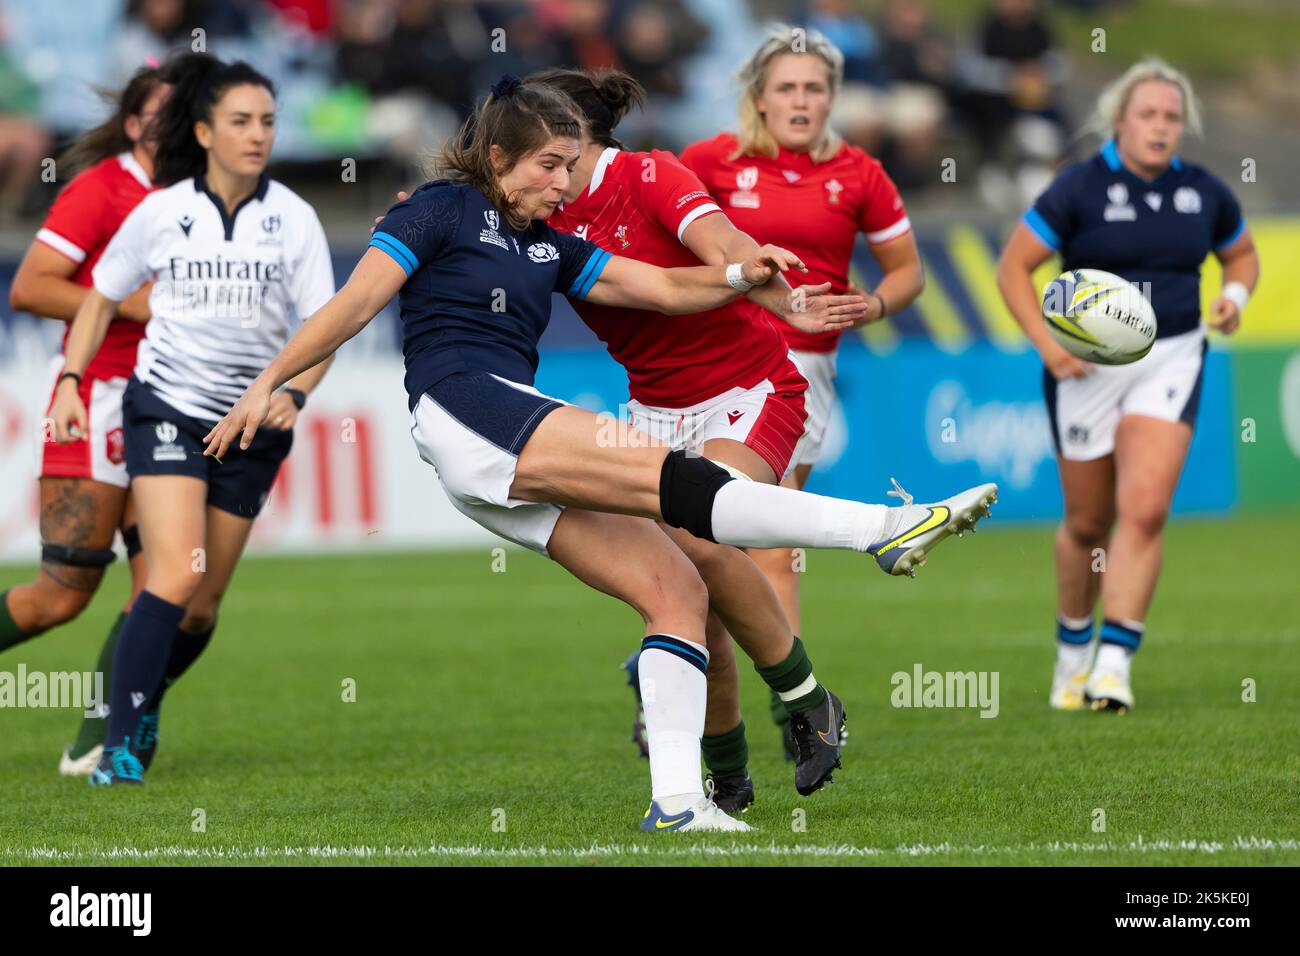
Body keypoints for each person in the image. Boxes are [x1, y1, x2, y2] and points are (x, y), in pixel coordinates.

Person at [202, 75, 997, 832]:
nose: (563, 181)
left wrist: (738, 272)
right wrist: (269, 382)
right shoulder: (440, 208)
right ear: (499, 158)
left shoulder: (548, 244)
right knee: (684, 486)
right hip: (469, 409)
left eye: (571, 164)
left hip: (497, 452)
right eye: (550, 164)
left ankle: (681, 803)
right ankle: (882, 531)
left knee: (677, 589)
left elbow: (658, 287)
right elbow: (353, 304)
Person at [533, 65, 869, 810]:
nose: (533, 162)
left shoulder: (649, 173)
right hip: (654, 411)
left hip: (749, 390)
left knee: (703, 535)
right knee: (687, 595)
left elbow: (722, 239)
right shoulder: (541, 210)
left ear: (573, 136)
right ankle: (727, 776)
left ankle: (807, 701)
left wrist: (775, 288)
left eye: (544, 144)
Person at [48, 52, 337, 785]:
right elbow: (99, 297)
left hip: (253, 427)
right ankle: (121, 747)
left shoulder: (294, 219)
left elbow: (324, 328)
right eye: (240, 121)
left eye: (268, 121)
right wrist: (72, 382)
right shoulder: (161, 210)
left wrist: (293, 394)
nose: (257, 135)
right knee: (172, 576)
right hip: (166, 407)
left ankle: (139, 703)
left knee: (201, 607)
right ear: (204, 131)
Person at [678, 24, 926, 749]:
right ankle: (693, 674)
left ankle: (791, 710)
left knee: (770, 543)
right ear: (759, 94)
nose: (801, 99)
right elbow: (657, 229)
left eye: (814, 87)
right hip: (715, 366)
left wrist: (876, 303)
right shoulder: (710, 161)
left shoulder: (860, 173)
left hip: (802, 370)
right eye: (786, 86)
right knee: (707, 538)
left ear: (832, 97)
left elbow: (907, 270)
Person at [995, 58, 1259, 713]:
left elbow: (1243, 255)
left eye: (1172, 116)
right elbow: (1013, 269)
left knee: (1144, 510)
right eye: (1149, 114)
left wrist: (1232, 296)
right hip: (1087, 370)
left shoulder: (1204, 191)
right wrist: (1049, 347)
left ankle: (1113, 667)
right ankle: (1072, 654)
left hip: (1171, 355)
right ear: (1121, 120)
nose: (1161, 126)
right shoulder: (1078, 188)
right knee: (1088, 523)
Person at [1, 63, 170, 776]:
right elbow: (30, 287)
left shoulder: (217, 199)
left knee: (171, 590)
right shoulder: (102, 189)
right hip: (94, 395)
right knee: (58, 597)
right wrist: (133, 307)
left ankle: (104, 736)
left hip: (176, 405)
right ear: (133, 124)